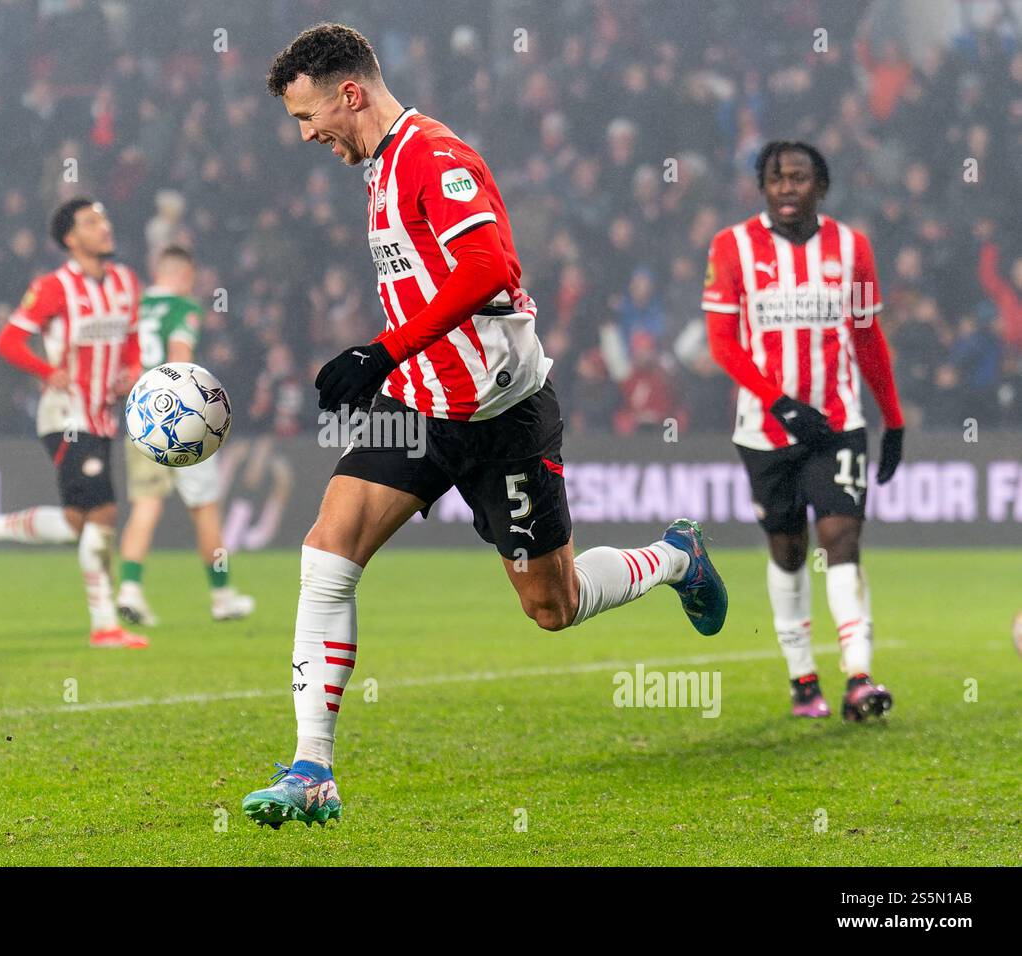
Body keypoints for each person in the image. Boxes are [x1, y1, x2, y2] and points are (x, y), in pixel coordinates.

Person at [241, 23, 728, 828]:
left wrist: (382, 347)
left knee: (552, 606)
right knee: (328, 551)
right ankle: (311, 768)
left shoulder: (435, 155)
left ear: (350, 93)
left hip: (505, 414)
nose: (306, 135)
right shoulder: (379, 167)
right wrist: (393, 366)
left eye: (308, 115)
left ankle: (676, 558)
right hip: (421, 407)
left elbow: (490, 267)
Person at [702, 141, 904, 721]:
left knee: (841, 537)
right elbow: (723, 342)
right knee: (789, 550)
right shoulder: (732, 246)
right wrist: (778, 402)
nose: (787, 187)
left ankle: (860, 676)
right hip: (764, 429)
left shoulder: (852, 247)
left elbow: (867, 337)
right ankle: (802, 680)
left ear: (822, 185)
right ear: (763, 187)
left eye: (798, 177)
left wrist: (894, 418)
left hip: (838, 424)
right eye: (775, 178)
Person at [0, 198, 147, 649]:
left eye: (105, 218)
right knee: (105, 513)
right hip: (63, 415)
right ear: (70, 239)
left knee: (79, 523)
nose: (104, 227)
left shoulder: (125, 282)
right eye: (92, 222)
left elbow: (132, 340)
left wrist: (131, 371)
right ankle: (104, 626)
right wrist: (48, 371)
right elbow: (8, 341)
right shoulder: (54, 287)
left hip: (102, 416)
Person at [116, 245, 255, 625]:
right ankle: (223, 597)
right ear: (180, 275)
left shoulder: (131, 308)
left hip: (139, 418)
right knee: (205, 507)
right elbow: (179, 359)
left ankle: (129, 590)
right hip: (181, 420)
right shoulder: (184, 309)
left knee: (145, 505)